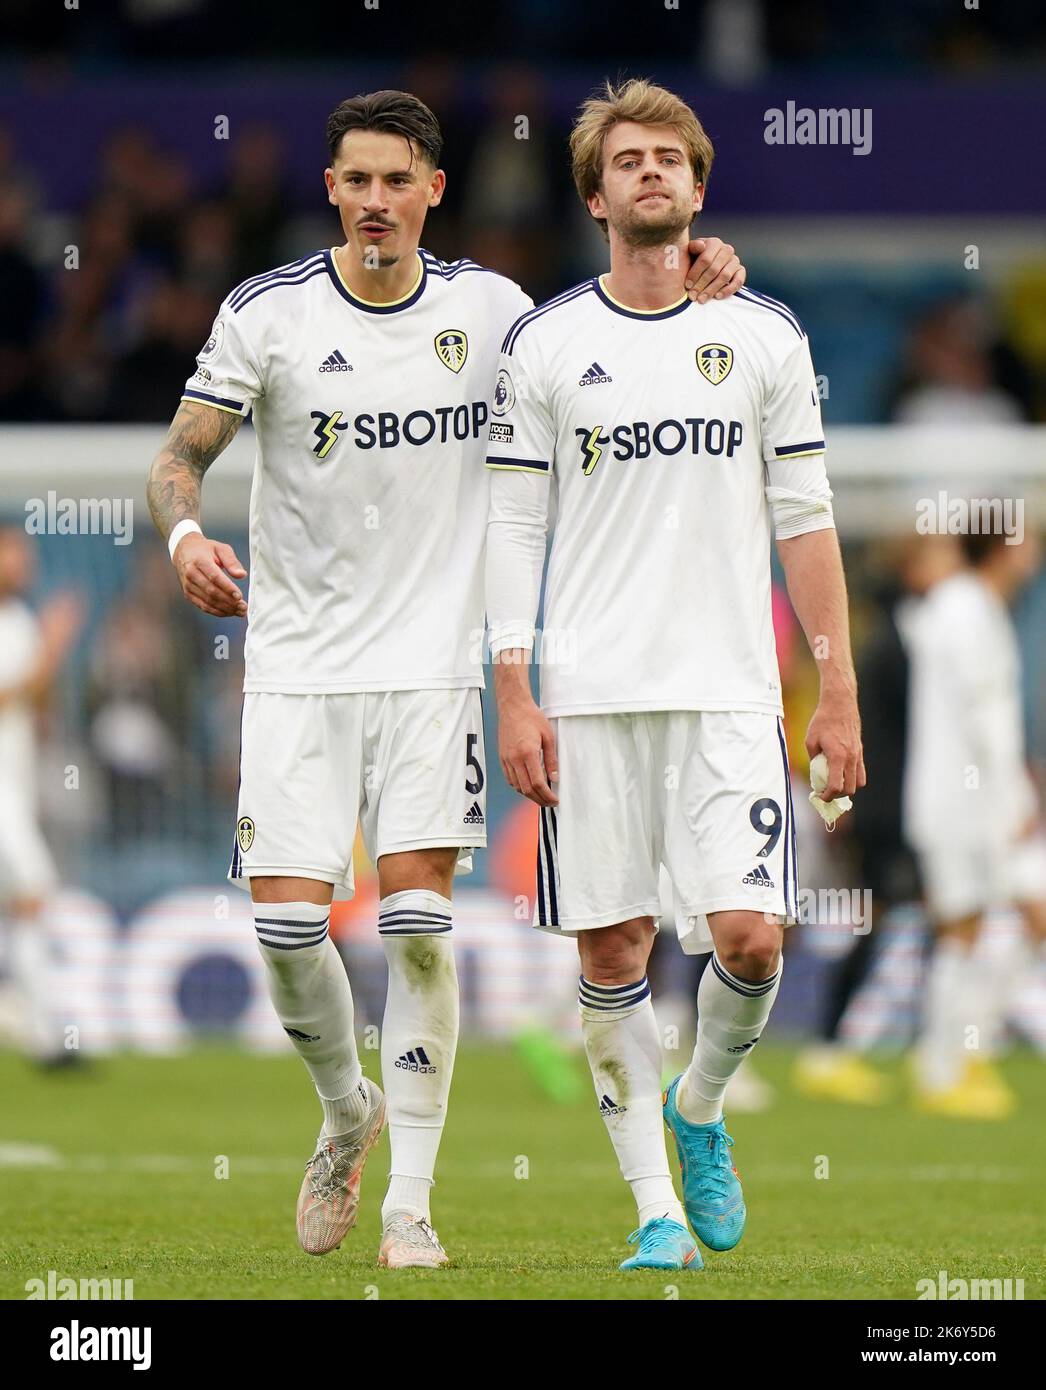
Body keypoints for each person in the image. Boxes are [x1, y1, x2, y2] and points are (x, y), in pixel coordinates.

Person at [146, 88, 747, 1270]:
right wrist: (183, 536)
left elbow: (617, 331)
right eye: (355, 180)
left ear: (432, 190)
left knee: (417, 928)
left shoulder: (495, 314)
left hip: (431, 669)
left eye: (396, 181)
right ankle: (346, 1109)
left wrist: (700, 263)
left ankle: (409, 1208)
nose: (375, 201)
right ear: (330, 189)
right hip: (298, 668)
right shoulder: (266, 312)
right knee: (286, 928)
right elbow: (179, 454)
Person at [485, 78, 864, 1272]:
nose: (648, 171)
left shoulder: (762, 334)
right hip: (589, 697)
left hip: (728, 697)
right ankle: (652, 1210)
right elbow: (513, 528)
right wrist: (512, 688)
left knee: (750, 942)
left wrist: (836, 688)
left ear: (697, 189)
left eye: (668, 158)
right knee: (611, 955)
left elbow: (803, 520)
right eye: (625, 160)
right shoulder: (545, 345)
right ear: (594, 197)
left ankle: (697, 1106)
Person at [901, 524, 1044, 1118]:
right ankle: (946, 1065)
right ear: (1002, 545)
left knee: (982, 924)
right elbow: (987, 718)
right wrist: (1015, 798)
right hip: (962, 803)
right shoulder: (965, 609)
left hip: (969, 800)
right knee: (965, 926)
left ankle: (960, 1053)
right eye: (1026, 540)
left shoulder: (966, 606)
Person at [0, 527, 83, 1064]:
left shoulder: (20, 621)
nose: (22, 564)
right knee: (32, 891)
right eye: (12, 554)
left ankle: (36, 1030)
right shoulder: (32, 628)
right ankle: (48, 1040)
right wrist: (52, 647)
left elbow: (36, 700)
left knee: (22, 903)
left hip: (18, 783)